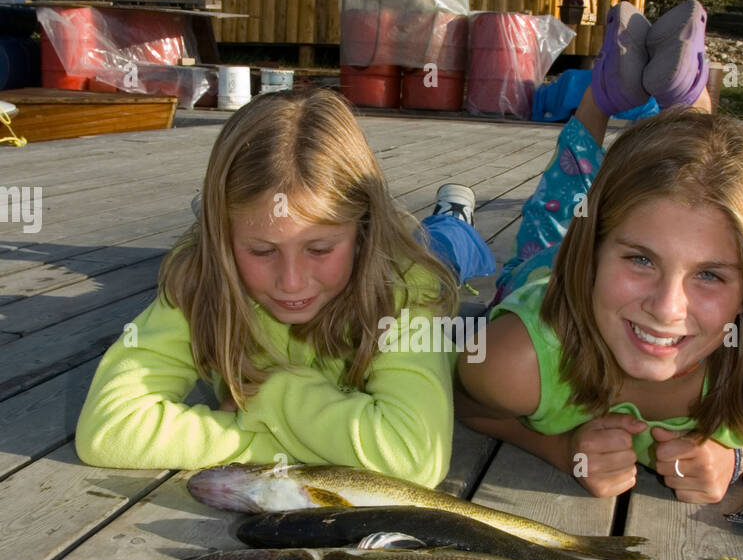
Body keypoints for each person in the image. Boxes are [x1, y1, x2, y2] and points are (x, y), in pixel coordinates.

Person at [456, 1, 743, 504]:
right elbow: (464, 398)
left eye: (711, 276)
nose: (666, 308)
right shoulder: (518, 360)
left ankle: (664, 95)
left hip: (613, 251)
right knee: (558, 214)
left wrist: (736, 455)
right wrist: (560, 449)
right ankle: (606, 89)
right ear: (591, 255)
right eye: (641, 260)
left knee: (702, 178)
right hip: (546, 270)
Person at [75, 89, 493, 487]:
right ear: (222, 238)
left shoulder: (405, 287)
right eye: (261, 250)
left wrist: (267, 396)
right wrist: (269, 438)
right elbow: (108, 429)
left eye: (319, 247)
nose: (291, 282)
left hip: (412, 255)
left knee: (442, 250)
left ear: (362, 228)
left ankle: (454, 214)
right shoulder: (202, 273)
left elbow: (414, 457)